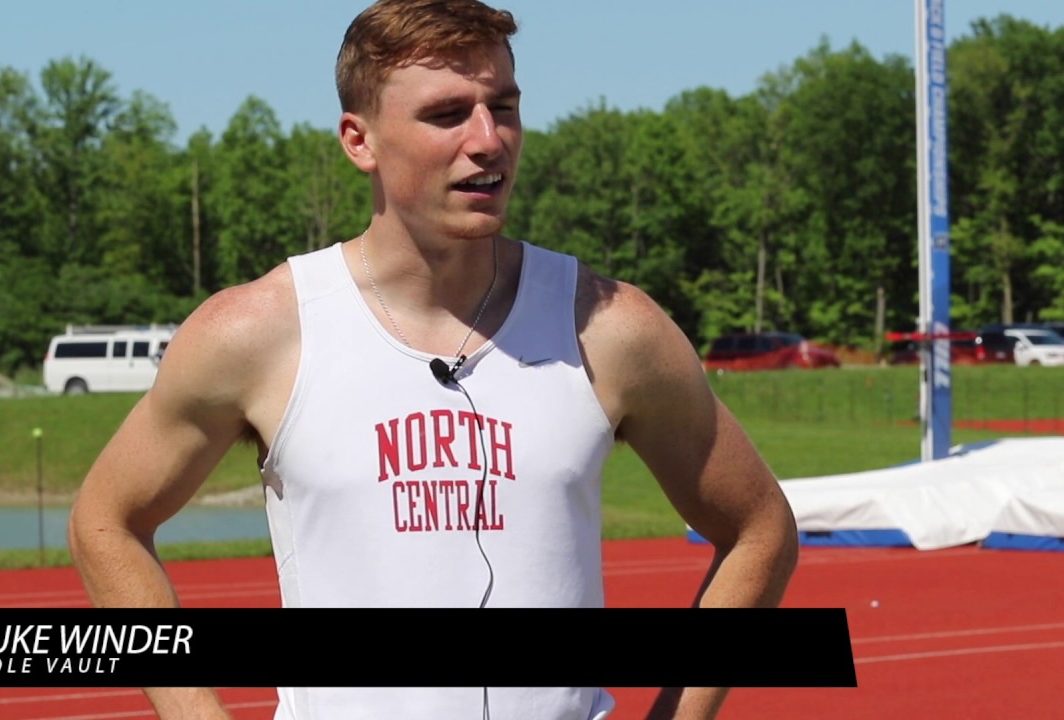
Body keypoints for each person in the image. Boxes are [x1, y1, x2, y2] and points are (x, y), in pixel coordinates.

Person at [67, 0, 799, 718]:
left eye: (503, 107)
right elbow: (107, 521)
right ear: (360, 141)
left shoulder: (609, 327)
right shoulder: (258, 332)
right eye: (447, 114)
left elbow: (761, 528)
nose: (488, 140)